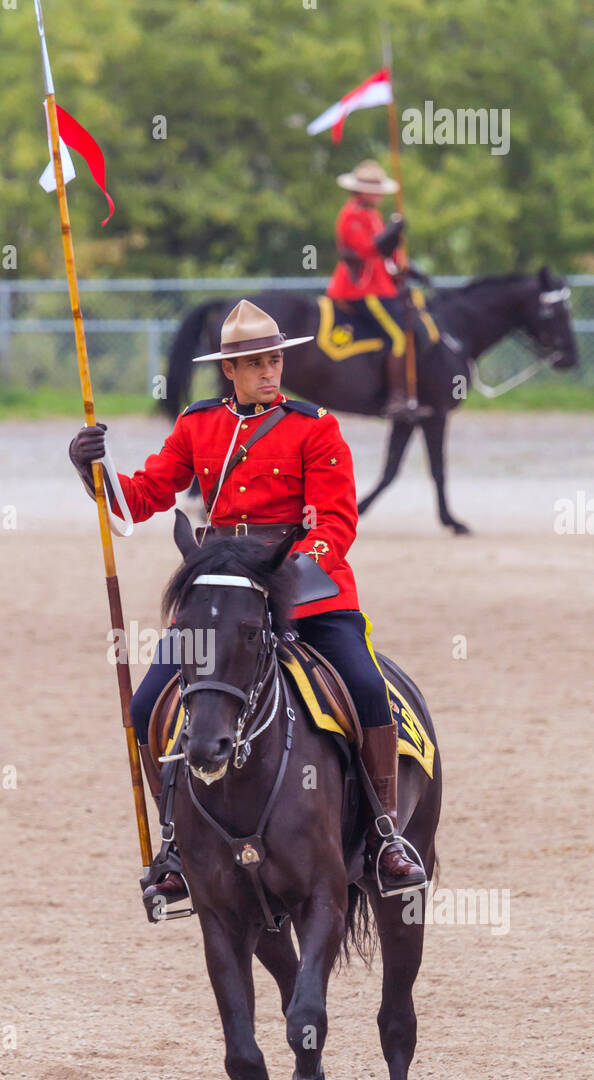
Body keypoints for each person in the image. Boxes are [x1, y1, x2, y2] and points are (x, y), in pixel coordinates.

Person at [68, 299, 426, 901]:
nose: (270, 371)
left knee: (365, 685)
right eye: (256, 363)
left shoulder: (316, 427)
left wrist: (282, 577)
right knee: (146, 705)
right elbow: (145, 496)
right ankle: (178, 846)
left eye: (275, 359)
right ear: (228, 371)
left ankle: (386, 834)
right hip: (220, 601)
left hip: (304, 592)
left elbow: (335, 524)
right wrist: (96, 474)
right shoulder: (197, 424)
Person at [326, 159, 419, 419]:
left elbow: (386, 251)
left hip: (381, 284)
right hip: (361, 289)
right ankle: (396, 399)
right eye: (372, 188)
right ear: (359, 190)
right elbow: (367, 249)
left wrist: (406, 264)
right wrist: (392, 232)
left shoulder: (372, 214)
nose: (378, 193)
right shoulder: (352, 214)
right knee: (398, 337)